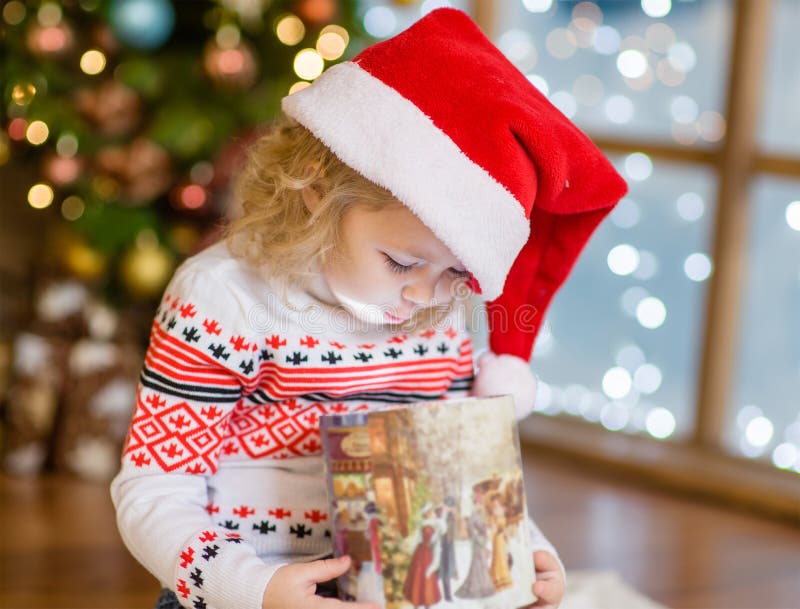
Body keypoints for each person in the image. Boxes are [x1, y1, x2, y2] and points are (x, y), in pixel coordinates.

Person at [111, 7, 627, 609]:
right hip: (246, 585)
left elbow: (465, 481)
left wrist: (525, 552)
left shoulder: (439, 317)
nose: (423, 296)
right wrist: (254, 589)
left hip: (401, 589)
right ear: (315, 192)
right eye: (402, 263)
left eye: (456, 273)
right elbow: (154, 488)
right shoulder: (221, 298)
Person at [455, 491, 495, 599]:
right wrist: (478, 537)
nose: (479, 505)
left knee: (482, 563)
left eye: (480, 503)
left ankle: (484, 586)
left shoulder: (481, 513)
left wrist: (485, 537)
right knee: (478, 563)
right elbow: (471, 528)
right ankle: (476, 587)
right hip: (477, 542)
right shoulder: (474, 514)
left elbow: (484, 527)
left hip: (482, 540)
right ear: (475, 503)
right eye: (478, 502)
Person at [402, 503, 442, 609]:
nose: (434, 514)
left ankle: (427, 604)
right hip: (420, 553)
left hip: (428, 553)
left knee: (427, 577)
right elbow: (416, 539)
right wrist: (409, 550)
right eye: (431, 512)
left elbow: (436, 541)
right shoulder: (421, 525)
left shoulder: (436, 525)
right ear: (427, 514)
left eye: (433, 512)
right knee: (418, 578)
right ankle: (416, 604)